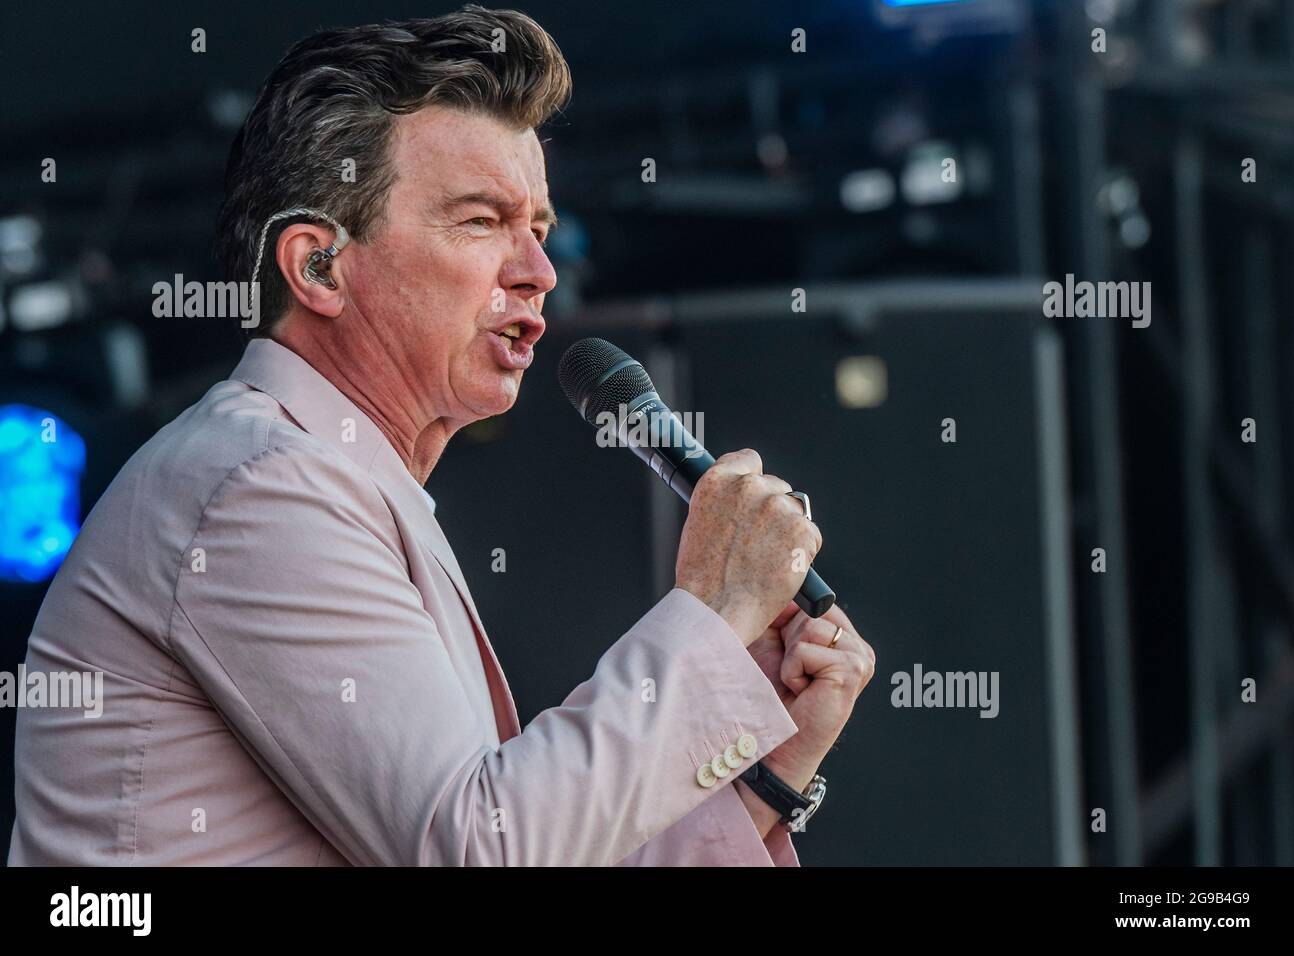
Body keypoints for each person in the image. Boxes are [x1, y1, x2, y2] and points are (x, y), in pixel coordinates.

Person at [8, 6, 874, 866]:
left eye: (537, 229)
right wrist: (715, 618)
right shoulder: (259, 485)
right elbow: (480, 851)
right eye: (481, 222)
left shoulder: (340, 480)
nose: (540, 272)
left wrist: (769, 769)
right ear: (318, 266)